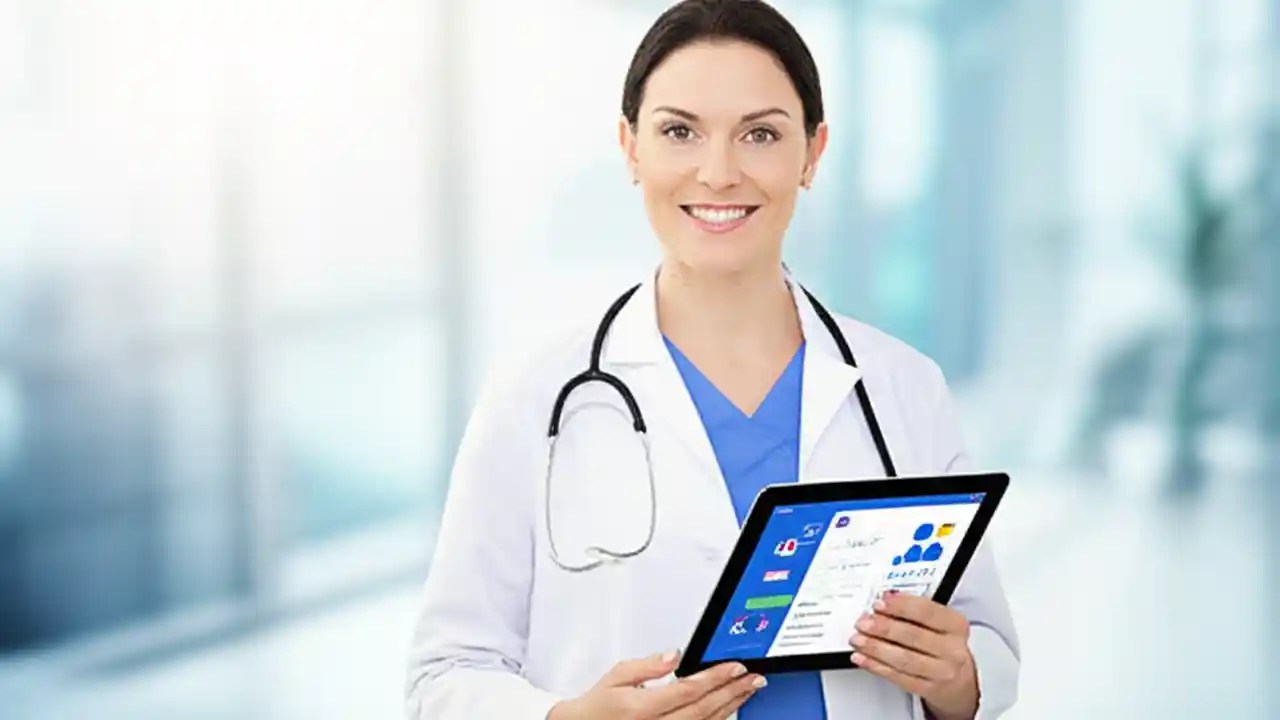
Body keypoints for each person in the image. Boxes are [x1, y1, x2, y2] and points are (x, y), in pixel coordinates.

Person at [404, 1, 1020, 718]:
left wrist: (958, 677)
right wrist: (565, 719)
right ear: (631, 148)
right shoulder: (534, 398)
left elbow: (989, 649)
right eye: (679, 132)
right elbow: (444, 675)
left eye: (760, 134)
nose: (719, 173)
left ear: (812, 154)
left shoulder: (903, 388)